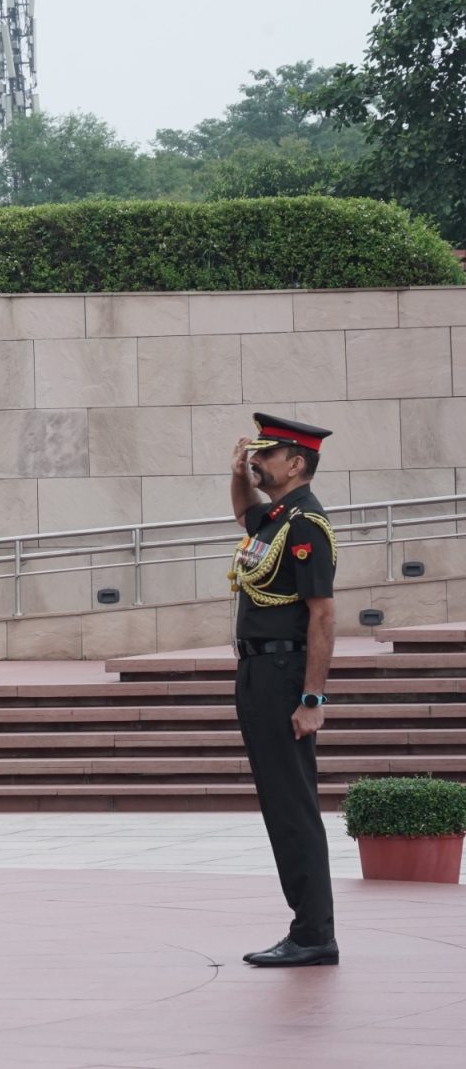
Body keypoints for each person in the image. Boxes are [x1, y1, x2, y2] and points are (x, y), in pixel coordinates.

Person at [228, 413, 339, 967]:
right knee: (280, 804)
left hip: (284, 676)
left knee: (293, 805)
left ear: (296, 463)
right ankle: (307, 926)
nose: (257, 460)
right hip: (256, 673)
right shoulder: (276, 518)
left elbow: (322, 616)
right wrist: (236, 474)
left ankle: (314, 933)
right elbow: (245, 514)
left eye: (267, 455)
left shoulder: (306, 526)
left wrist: (312, 699)